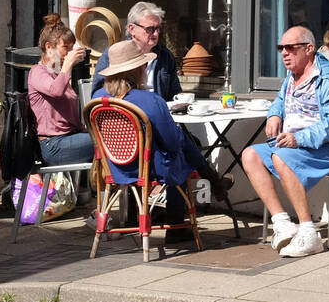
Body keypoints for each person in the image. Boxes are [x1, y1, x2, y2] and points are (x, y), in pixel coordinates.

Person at [243, 27, 329, 258]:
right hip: (294, 146)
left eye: (290, 48)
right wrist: (274, 114)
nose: (284, 54)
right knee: (250, 155)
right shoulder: (293, 75)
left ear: (309, 49)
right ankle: (282, 223)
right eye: (281, 49)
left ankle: (309, 232)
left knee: (280, 157)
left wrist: (298, 138)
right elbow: (281, 99)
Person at [90, 40, 229, 222]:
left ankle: (136, 216)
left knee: (181, 140)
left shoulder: (97, 99)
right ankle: (177, 221)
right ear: (138, 69)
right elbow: (171, 143)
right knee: (181, 146)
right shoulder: (150, 100)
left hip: (113, 168)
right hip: (149, 168)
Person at [27, 14, 95, 167]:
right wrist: (68, 65)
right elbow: (55, 91)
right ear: (49, 47)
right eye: (66, 47)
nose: (69, 52)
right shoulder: (38, 72)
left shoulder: (58, 74)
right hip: (53, 145)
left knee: (110, 134)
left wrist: (82, 129)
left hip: (68, 139)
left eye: (72, 47)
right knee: (108, 138)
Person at [90, 2, 180, 100]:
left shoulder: (165, 56)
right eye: (150, 29)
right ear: (132, 29)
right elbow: (97, 95)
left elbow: (175, 94)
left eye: (158, 28)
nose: (156, 34)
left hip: (155, 110)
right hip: (123, 111)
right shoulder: (113, 55)